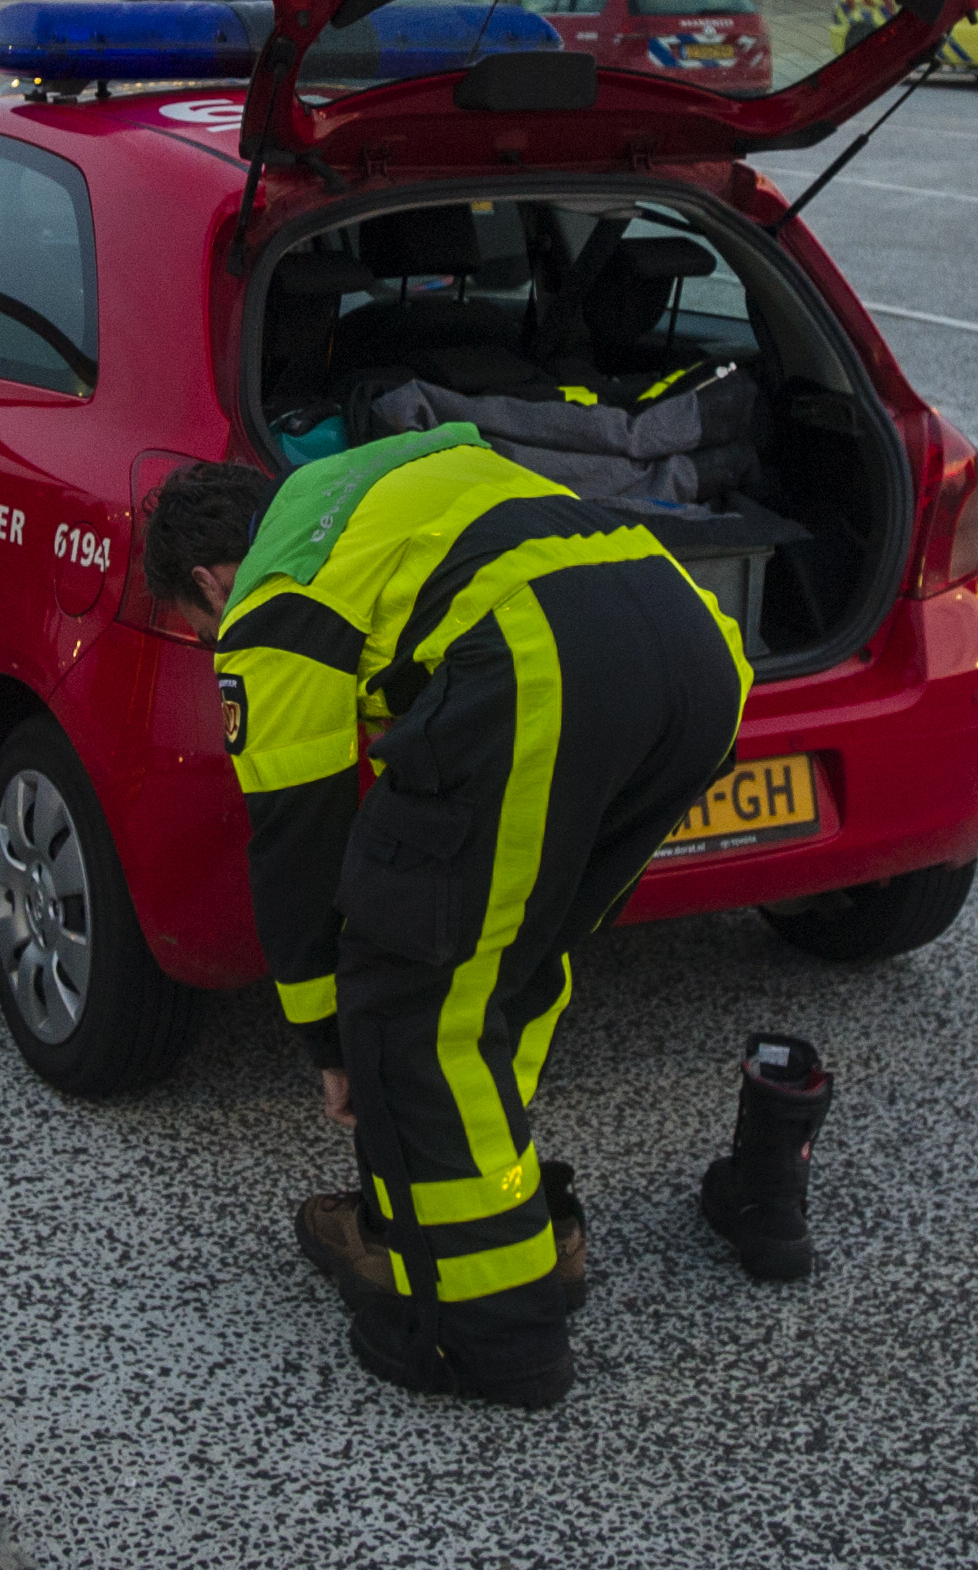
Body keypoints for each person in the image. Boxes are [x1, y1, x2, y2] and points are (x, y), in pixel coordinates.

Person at [144, 426, 821, 1410]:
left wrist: (330, 1041)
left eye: (206, 630)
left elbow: (298, 838)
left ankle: (492, 1333)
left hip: (546, 657)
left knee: (408, 991)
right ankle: (501, 1222)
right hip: (697, 656)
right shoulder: (366, 486)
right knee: (508, 957)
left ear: (210, 581)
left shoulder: (271, 593)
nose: (218, 644)